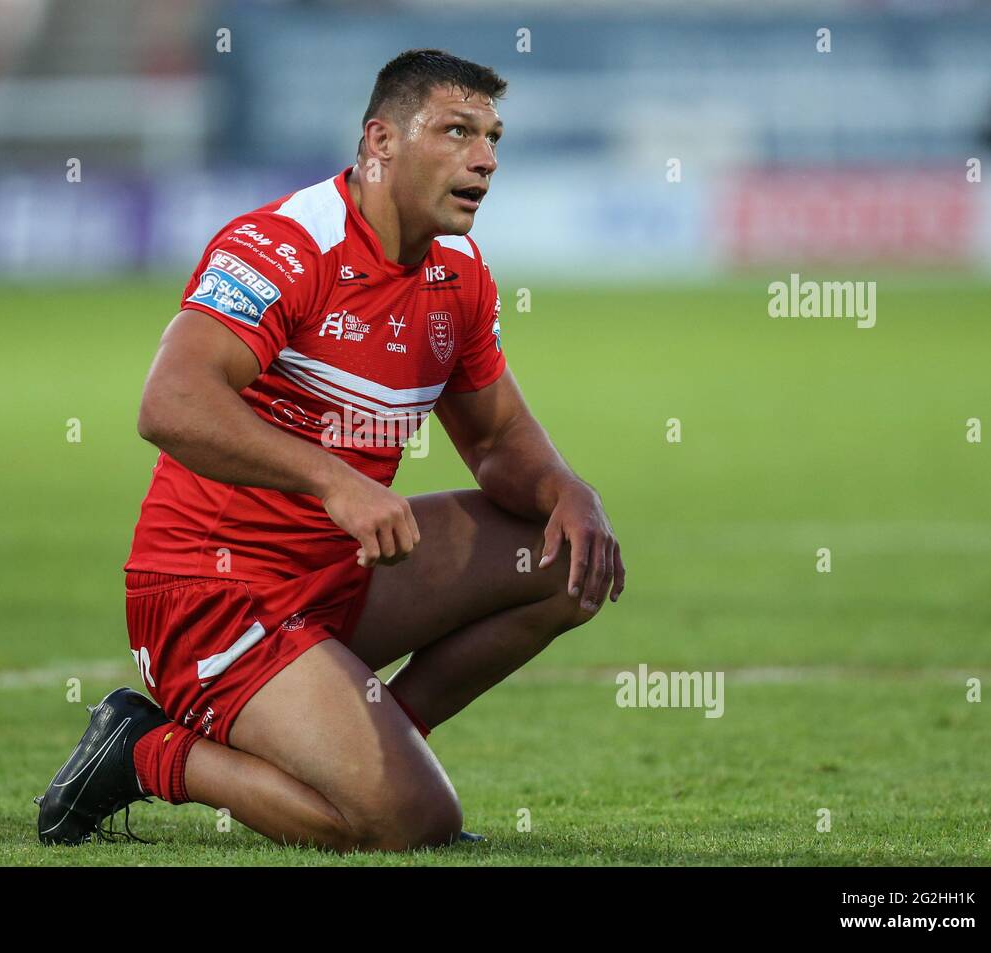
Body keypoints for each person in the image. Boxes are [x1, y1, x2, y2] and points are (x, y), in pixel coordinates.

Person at [36, 48, 625, 852]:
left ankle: (371, 747)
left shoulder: (458, 273)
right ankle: (145, 751)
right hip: (214, 596)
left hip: (341, 575)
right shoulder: (284, 245)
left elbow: (496, 443)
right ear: (380, 141)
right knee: (412, 825)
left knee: (562, 560)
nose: (484, 159)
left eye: (492, 138)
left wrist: (569, 490)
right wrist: (334, 482)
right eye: (456, 132)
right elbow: (170, 401)